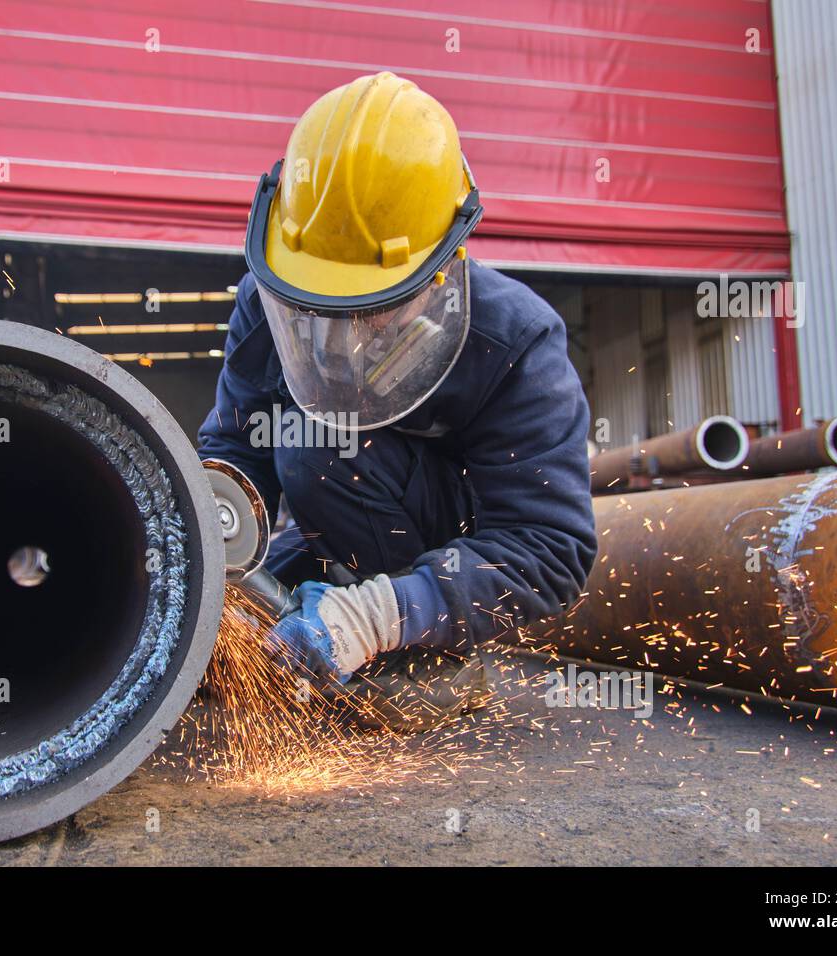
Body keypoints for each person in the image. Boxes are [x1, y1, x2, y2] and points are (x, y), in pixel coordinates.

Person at [198, 71, 596, 728]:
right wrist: (214, 533)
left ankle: (420, 657)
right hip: (335, 526)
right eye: (315, 305)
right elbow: (238, 441)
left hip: (451, 564)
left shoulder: (516, 341)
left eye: (372, 309)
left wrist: (378, 614)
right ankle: (312, 617)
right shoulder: (264, 301)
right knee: (235, 616)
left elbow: (550, 546)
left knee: (318, 442)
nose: (340, 330)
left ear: (444, 262)